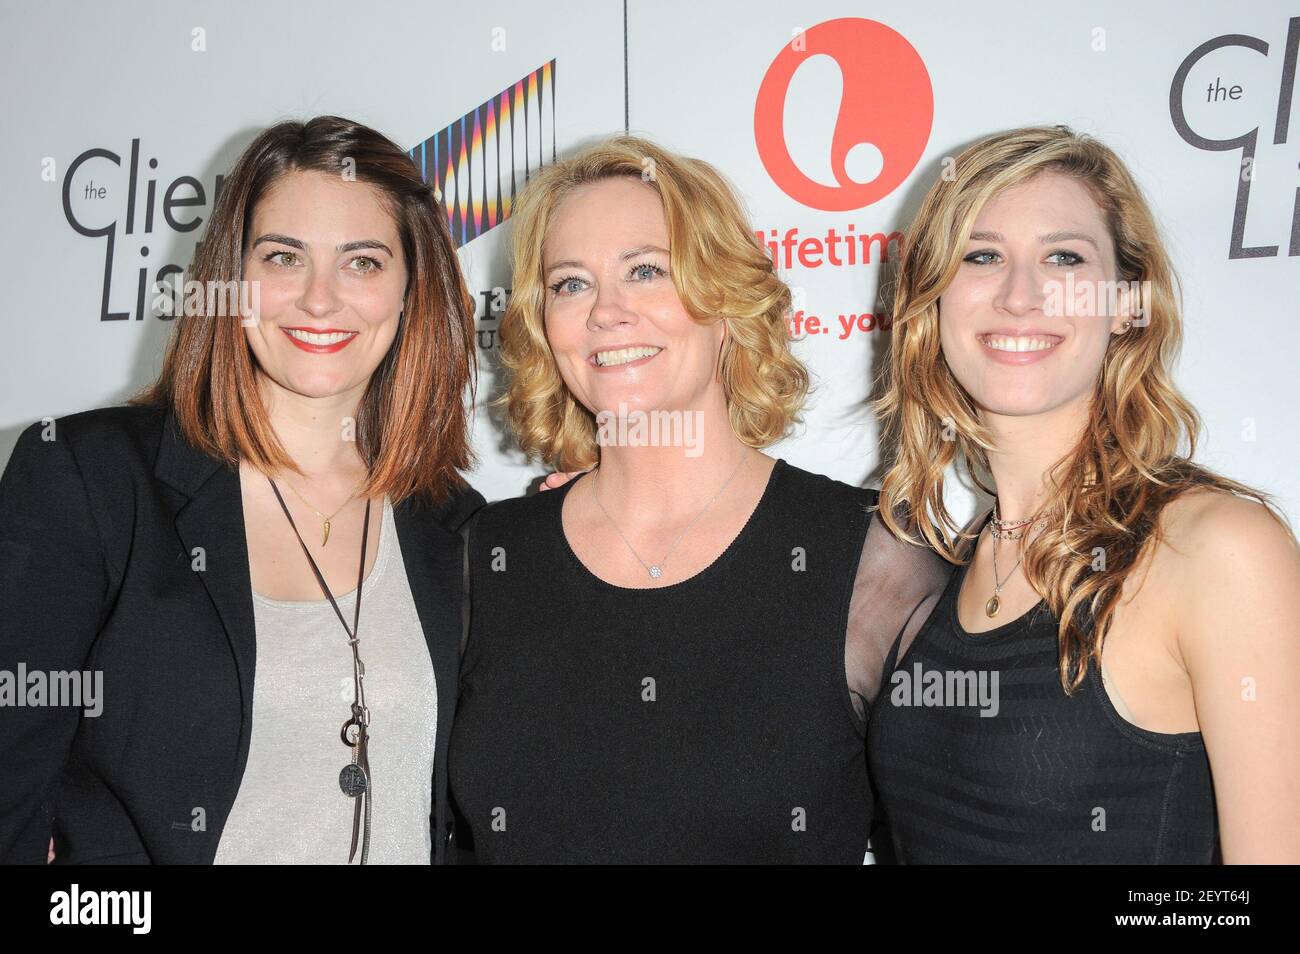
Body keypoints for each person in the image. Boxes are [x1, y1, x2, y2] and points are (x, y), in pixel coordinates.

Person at [448, 135, 951, 863]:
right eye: (570, 283)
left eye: (646, 271)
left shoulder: (871, 563)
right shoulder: (485, 555)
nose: (606, 312)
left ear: (725, 301)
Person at [0, 116, 484, 864]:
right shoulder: (92, 480)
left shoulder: (457, 528)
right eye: (284, 257)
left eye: (362, 262)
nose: (319, 299)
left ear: (410, 290)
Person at [867, 125, 1300, 863]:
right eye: (982, 255)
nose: (1020, 293)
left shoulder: (1216, 550)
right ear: (932, 301)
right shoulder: (944, 566)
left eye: (1064, 257)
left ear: (1128, 302)